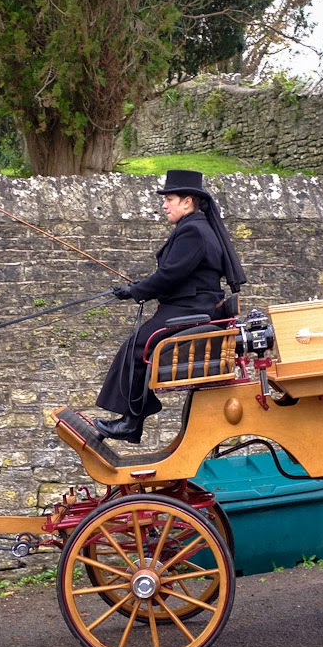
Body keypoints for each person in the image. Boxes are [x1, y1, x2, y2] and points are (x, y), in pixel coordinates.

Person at [94, 169, 247, 443]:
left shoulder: (193, 231)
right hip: (189, 307)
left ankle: (131, 422)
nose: (164, 205)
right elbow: (177, 273)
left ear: (187, 201)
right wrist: (138, 286)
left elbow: (169, 276)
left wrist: (135, 291)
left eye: (169, 199)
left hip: (190, 311)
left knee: (138, 347)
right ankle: (133, 419)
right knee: (137, 345)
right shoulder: (197, 228)